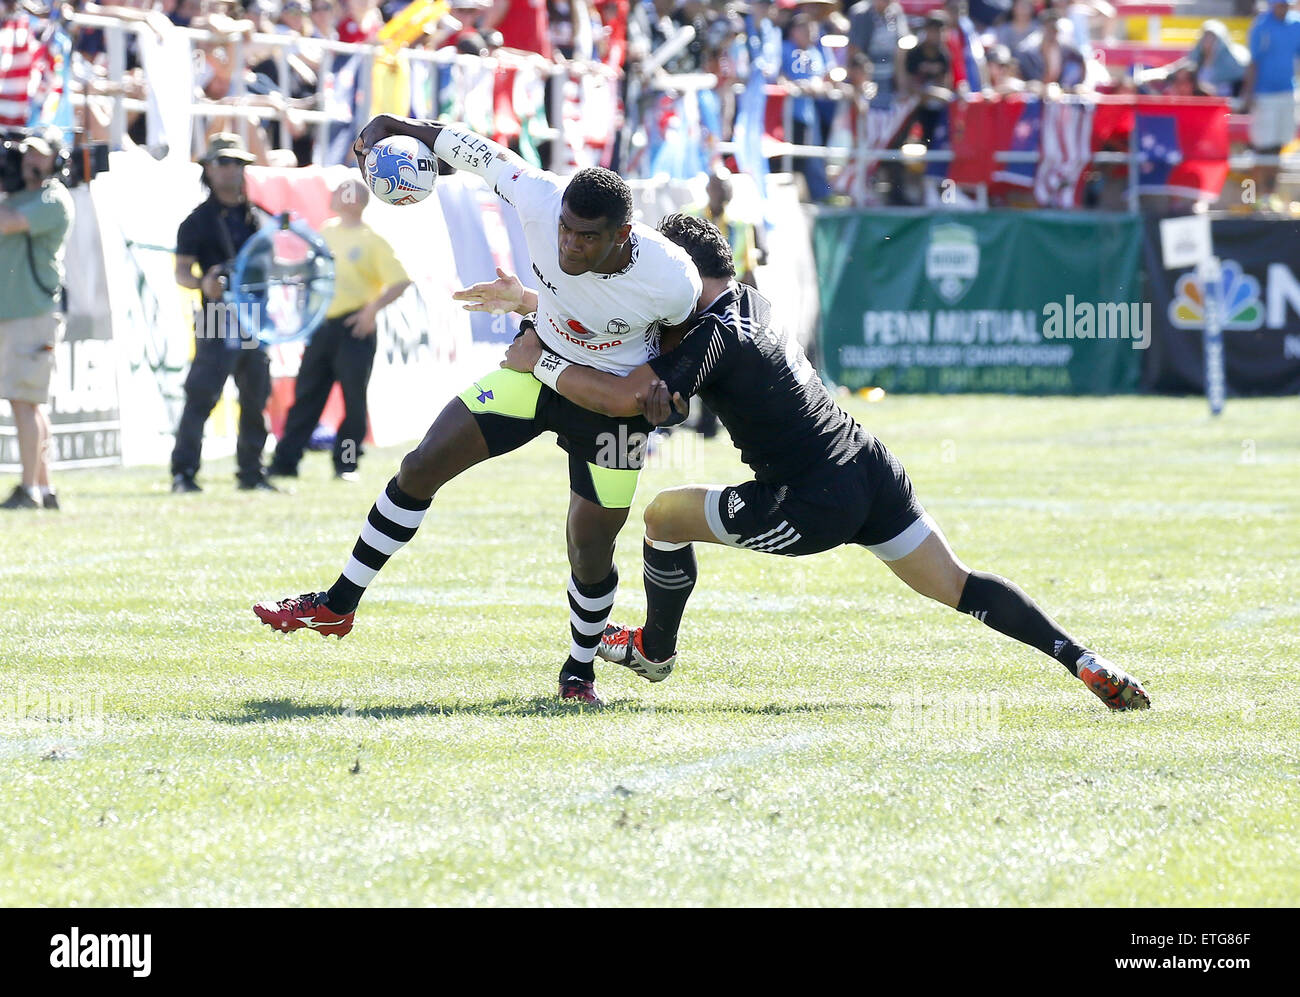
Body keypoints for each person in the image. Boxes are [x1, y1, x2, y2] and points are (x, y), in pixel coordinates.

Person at [476, 213, 1150, 712]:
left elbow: (631, 393)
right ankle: (1081, 658)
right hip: (868, 463)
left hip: (810, 500)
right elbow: (635, 334)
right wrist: (535, 300)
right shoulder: (752, 304)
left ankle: (654, 650)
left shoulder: (705, 330)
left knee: (660, 515)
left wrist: (543, 357)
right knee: (961, 586)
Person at [253, 113, 702, 707]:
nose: (568, 243)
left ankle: (578, 671)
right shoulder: (542, 197)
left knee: (589, 547)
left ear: (623, 235)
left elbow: (681, 345)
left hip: (606, 400)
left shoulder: (671, 279)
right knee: (421, 465)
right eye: (565, 230)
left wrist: (663, 396)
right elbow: (475, 149)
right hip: (535, 369)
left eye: (586, 238)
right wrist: (397, 124)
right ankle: (339, 604)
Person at [267, 179, 411, 482]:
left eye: (339, 192)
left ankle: (346, 464)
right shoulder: (327, 231)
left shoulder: (371, 240)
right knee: (306, 397)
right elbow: (312, 268)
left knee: (353, 401)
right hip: (323, 327)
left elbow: (400, 281)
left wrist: (370, 311)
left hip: (353, 329)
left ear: (352, 200)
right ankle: (284, 463)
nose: (332, 196)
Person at [170, 132, 276, 493]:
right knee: (202, 396)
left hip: (255, 319)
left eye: (237, 163)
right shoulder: (196, 221)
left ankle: (252, 473)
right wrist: (205, 284)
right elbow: (182, 272)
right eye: (223, 162)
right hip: (217, 318)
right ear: (208, 170)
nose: (231, 170)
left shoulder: (260, 218)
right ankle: (184, 474)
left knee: (255, 397)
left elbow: (276, 263)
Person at [0, 130, 74, 511]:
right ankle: (44, 489)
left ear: (56, 161)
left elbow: (7, 223)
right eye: (27, 152)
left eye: (40, 155)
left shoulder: (52, 199)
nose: (30, 160)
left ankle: (28, 489)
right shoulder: (18, 197)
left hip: (32, 313)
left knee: (24, 400)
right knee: (28, 403)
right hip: (16, 313)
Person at [1241, 1, 1300, 212]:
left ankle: (1269, 196)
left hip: (1286, 93)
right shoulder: (1261, 26)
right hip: (1264, 95)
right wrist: (1249, 93)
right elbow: (1253, 62)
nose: (1283, 8)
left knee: (1278, 148)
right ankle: (1254, 198)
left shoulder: (1296, 25)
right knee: (1262, 148)